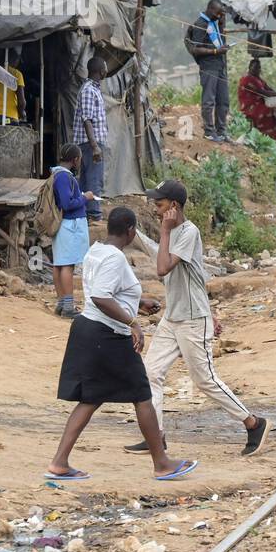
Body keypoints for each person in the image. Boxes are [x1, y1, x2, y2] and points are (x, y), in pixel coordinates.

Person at [49, 206, 196, 482]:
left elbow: (105, 292)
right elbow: (101, 298)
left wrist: (137, 303)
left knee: (91, 398)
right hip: (107, 335)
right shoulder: (115, 258)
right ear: (130, 231)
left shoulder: (96, 250)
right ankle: (162, 463)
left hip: (88, 331)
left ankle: (59, 462)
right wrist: (133, 323)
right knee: (142, 393)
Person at [130, 179, 271, 457]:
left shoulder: (188, 232)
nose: (155, 210)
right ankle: (155, 435)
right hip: (174, 317)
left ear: (174, 206)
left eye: (159, 205)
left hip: (193, 319)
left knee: (204, 379)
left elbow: (162, 268)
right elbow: (157, 252)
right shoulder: (174, 232)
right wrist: (133, 231)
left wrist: (165, 230)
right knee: (150, 373)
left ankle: (254, 423)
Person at [50, 144, 94, 318]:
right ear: (75, 159)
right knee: (67, 265)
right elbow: (67, 204)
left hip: (65, 225)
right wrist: (85, 197)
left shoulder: (57, 174)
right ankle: (68, 306)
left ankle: (62, 303)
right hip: (70, 225)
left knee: (59, 263)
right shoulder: (63, 177)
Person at [186, 0, 231, 142]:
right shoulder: (201, 24)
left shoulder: (215, 22)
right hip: (209, 66)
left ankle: (221, 132)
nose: (220, 16)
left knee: (223, 101)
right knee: (209, 100)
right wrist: (215, 51)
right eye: (218, 13)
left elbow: (219, 40)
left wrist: (222, 24)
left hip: (220, 66)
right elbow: (195, 49)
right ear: (211, 9)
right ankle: (209, 132)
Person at [72, 57, 108, 221]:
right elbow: (87, 119)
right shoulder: (88, 90)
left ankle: (83, 212)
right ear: (101, 70)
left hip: (91, 143)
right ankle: (93, 214)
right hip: (89, 144)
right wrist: (94, 146)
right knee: (94, 179)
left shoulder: (94, 90)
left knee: (86, 179)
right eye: (105, 67)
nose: (107, 70)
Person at [237, 58, 276, 143]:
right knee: (269, 111)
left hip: (260, 103)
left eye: (258, 68)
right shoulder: (247, 80)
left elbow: (268, 89)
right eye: (254, 68)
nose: (257, 70)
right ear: (250, 67)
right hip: (251, 107)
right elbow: (263, 92)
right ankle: (269, 135)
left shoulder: (258, 79)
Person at [0, 51, 26, 125]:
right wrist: (22, 113)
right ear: (15, 60)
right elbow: (22, 102)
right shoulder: (17, 74)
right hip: (10, 118)